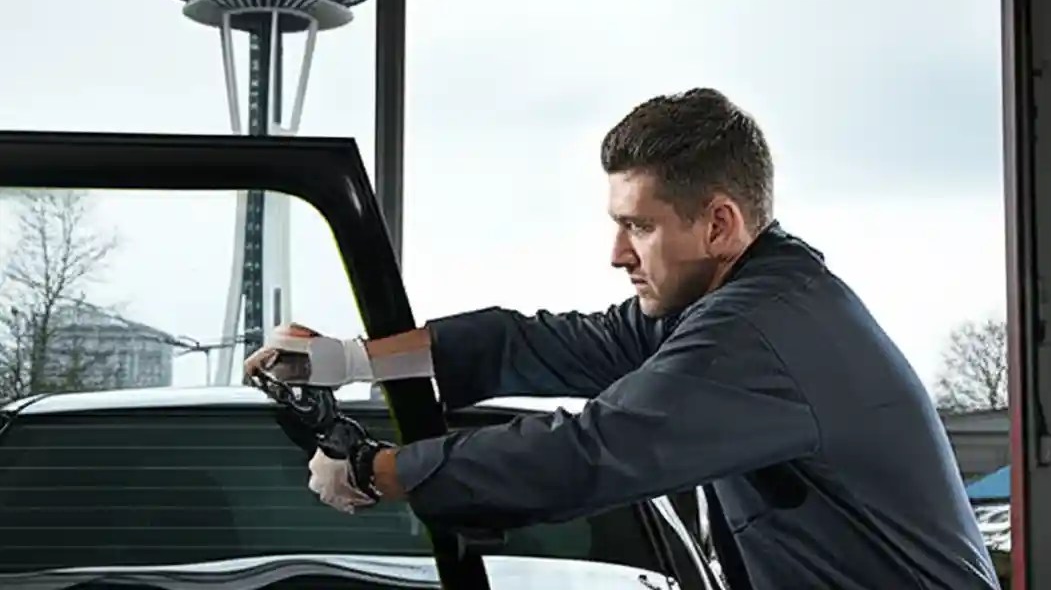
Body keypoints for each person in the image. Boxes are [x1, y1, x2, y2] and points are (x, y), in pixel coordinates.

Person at [245, 88, 1001, 589]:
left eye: (638, 226)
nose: (616, 253)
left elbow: (589, 455)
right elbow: (533, 345)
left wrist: (382, 472)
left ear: (717, 224)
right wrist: (347, 359)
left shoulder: (759, 335)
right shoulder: (725, 303)